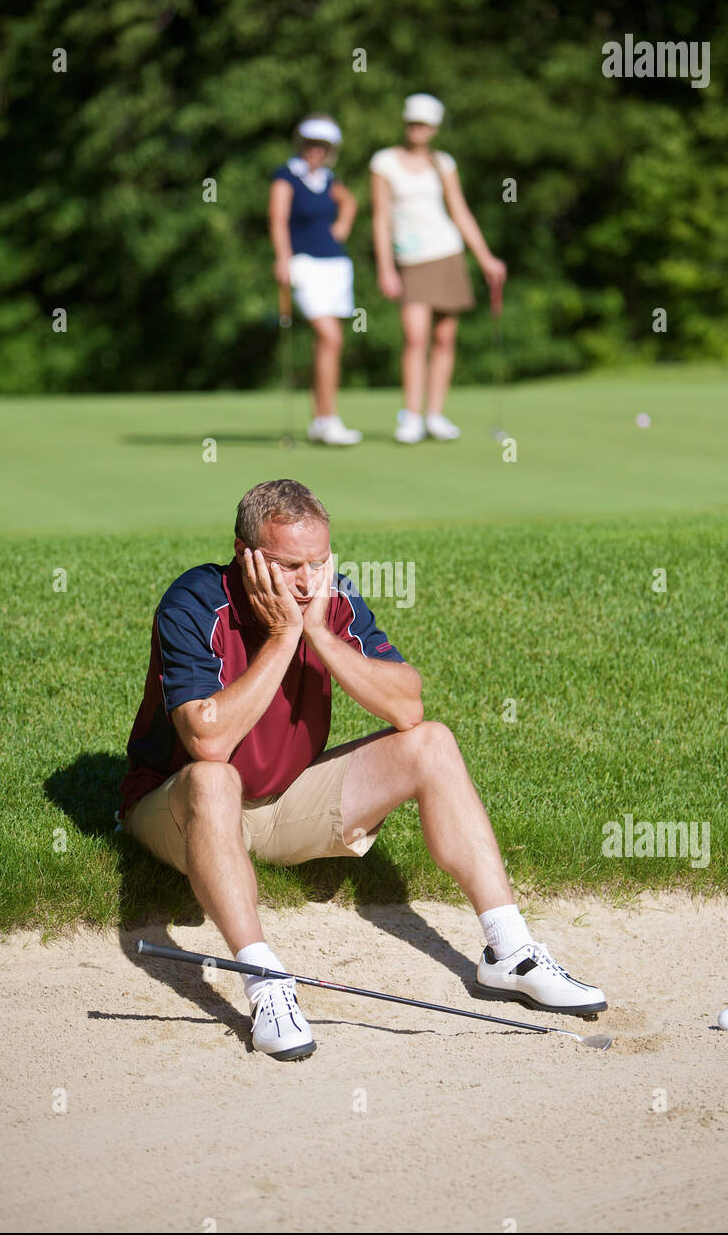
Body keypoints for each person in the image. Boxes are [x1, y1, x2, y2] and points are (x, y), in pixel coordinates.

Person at [119, 479, 606, 1061]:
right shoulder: (195, 600)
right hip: (182, 809)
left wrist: (319, 631)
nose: (305, 581)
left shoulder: (332, 598)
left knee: (431, 743)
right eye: (288, 565)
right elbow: (208, 740)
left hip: (284, 803)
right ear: (245, 553)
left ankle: (509, 952)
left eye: (318, 563)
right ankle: (265, 981)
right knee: (213, 778)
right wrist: (283, 638)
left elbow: (407, 705)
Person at [370, 93, 507, 443]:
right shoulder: (384, 162)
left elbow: (459, 212)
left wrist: (485, 257)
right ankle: (411, 417)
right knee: (416, 338)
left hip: (447, 252)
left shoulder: (443, 163)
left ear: (433, 128)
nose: (418, 128)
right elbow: (381, 216)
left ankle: (435, 415)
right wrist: (386, 267)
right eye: (413, 122)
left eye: (425, 123)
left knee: (444, 338)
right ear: (406, 123)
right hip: (411, 259)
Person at [269, 114, 362, 445]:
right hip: (304, 265)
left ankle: (321, 420)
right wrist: (282, 258)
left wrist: (344, 224)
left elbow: (349, 200)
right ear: (301, 144)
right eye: (311, 145)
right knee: (331, 337)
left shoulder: (328, 178)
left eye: (322, 147)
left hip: (336, 265)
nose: (315, 152)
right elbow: (278, 220)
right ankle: (327, 419)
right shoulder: (286, 176)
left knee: (328, 343)